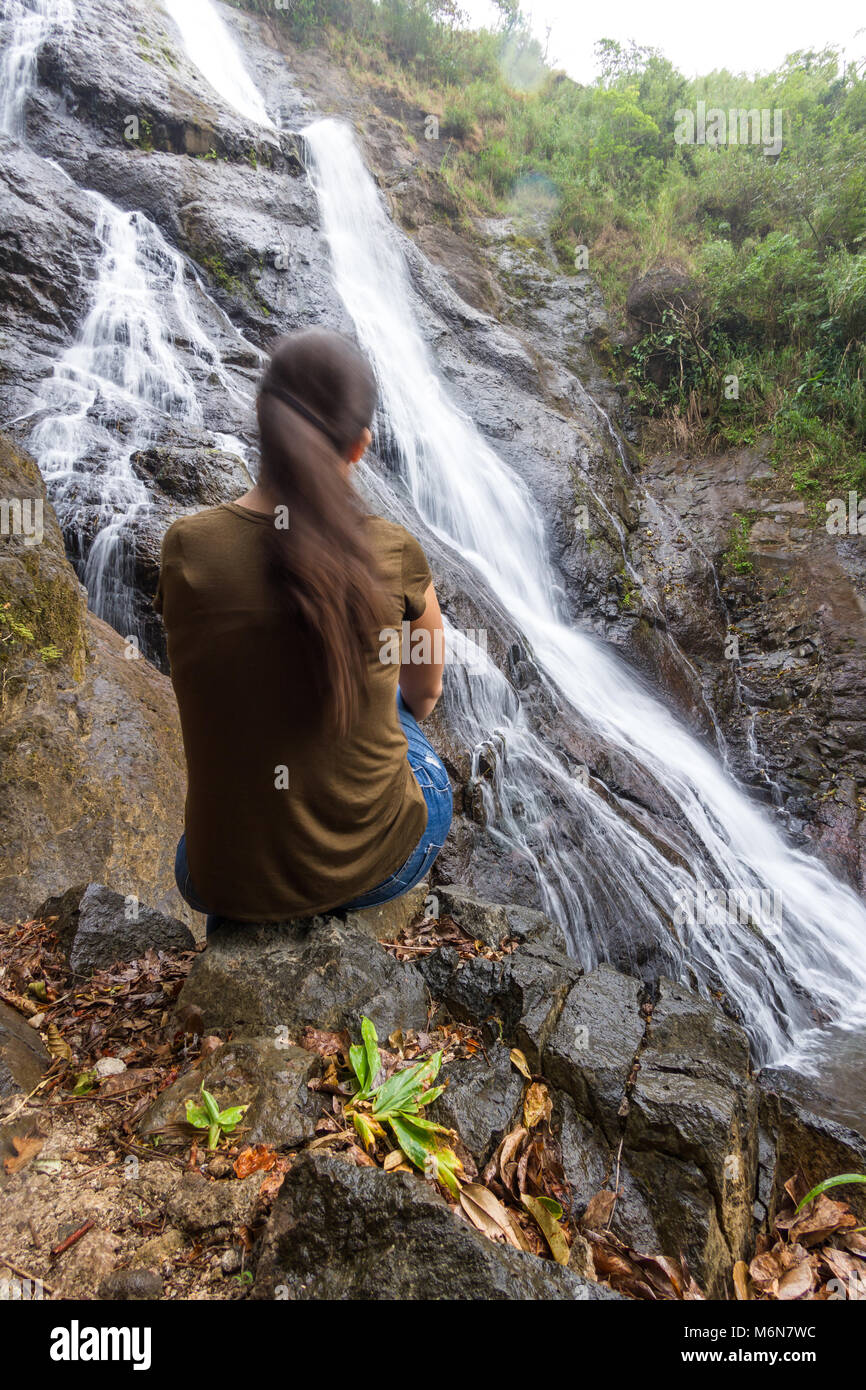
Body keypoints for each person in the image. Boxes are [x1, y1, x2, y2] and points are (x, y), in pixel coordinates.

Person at [155, 328, 451, 934]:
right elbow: (426, 690)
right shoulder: (392, 552)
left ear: (261, 425)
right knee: (416, 742)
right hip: (373, 866)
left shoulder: (185, 549)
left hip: (213, 876)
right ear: (360, 447)